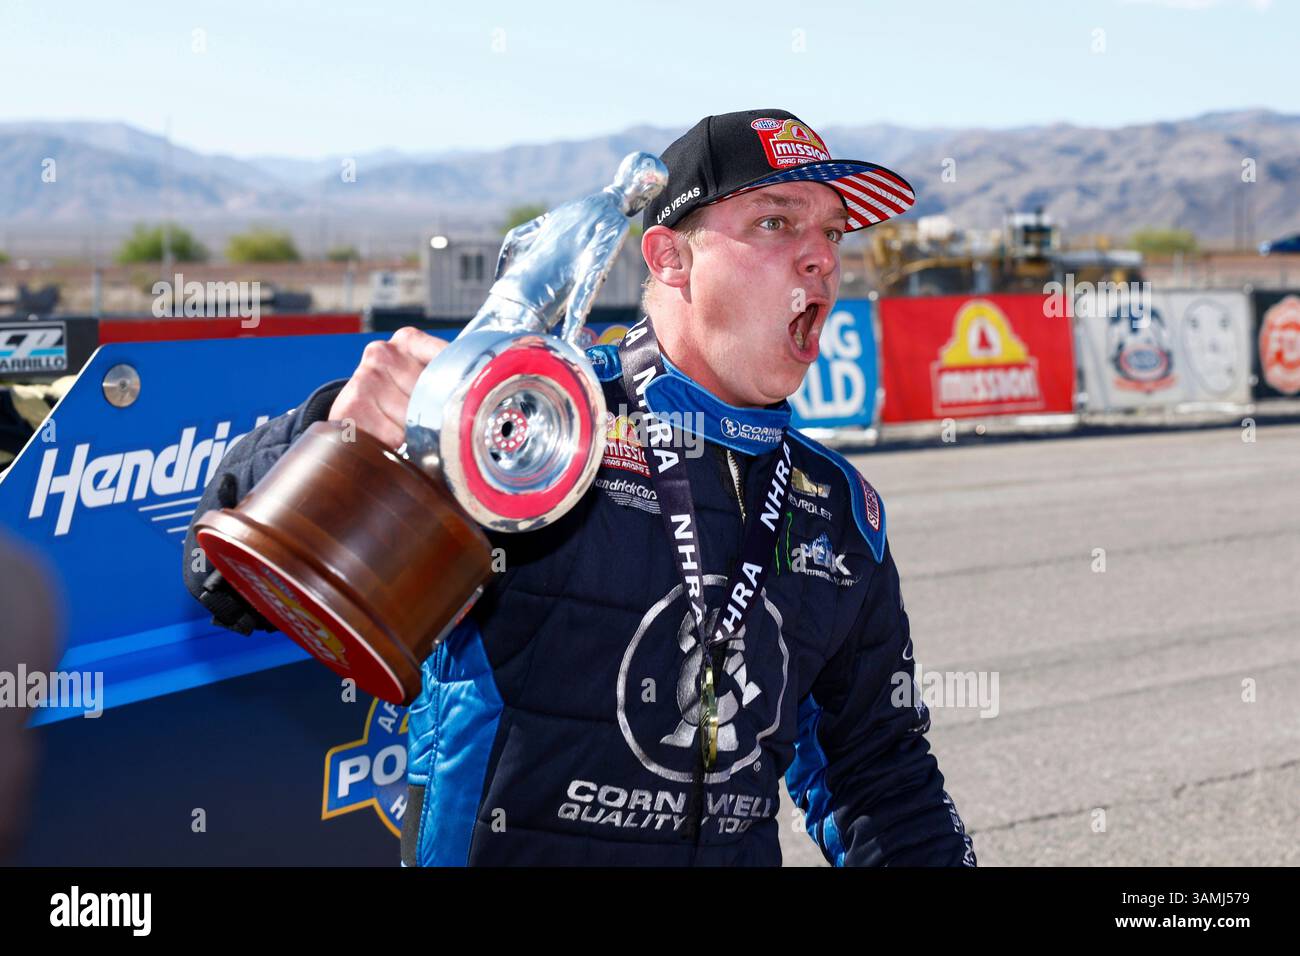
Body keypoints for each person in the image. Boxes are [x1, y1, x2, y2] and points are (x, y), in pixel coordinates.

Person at [182, 108, 976, 867]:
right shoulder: (529, 419)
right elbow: (226, 583)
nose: (823, 257)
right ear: (669, 258)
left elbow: (879, 771)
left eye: (833, 232)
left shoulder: (837, 510)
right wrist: (338, 432)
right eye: (776, 222)